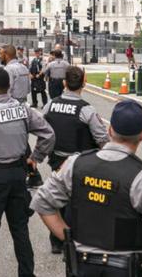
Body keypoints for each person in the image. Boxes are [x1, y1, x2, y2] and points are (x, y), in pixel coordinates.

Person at [30, 100, 142, 276]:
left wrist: (68, 239)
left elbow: (42, 203)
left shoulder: (75, 164)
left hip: (81, 265)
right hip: (126, 267)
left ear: (109, 130)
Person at [0, 68, 55, 277]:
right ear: (9, 86)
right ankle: (27, 273)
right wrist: (35, 158)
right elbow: (48, 134)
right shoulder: (23, 108)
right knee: (20, 229)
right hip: (17, 175)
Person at [40, 65, 108, 254]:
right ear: (84, 83)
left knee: (58, 198)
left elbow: (43, 131)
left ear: (64, 83)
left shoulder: (50, 105)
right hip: (80, 163)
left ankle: (57, 240)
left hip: (57, 160)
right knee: (79, 202)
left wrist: (39, 155)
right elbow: (102, 138)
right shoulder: (86, 110)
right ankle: (75, 241)